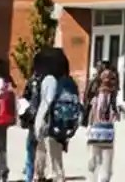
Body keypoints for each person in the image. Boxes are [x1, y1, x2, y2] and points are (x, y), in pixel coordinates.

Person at [33, 48, 79, 182]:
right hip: (62, 122)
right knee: (50, 152)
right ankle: (42, 175)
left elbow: (46, 103)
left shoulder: (49, 79)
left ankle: (50, 177)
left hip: (49, 123)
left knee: (52, 156)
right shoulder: (67, 81)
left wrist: (38, 122)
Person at [86, 67, 123, 182]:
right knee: (103, 162)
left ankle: (96, 178)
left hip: (98, 131)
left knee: (94, 161)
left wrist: (89, 126)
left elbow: (92, 113)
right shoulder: (112, 95)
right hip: (106, 132)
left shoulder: (100, 95)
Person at [81, 60, 110, 127]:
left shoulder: (102, 77)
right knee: (91, 110)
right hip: (93, 96)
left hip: (98, 97)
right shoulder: (95, 77)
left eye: (100, 66)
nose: (99, 68)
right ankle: (88, 123)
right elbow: (90, 87)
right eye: (98, 66)